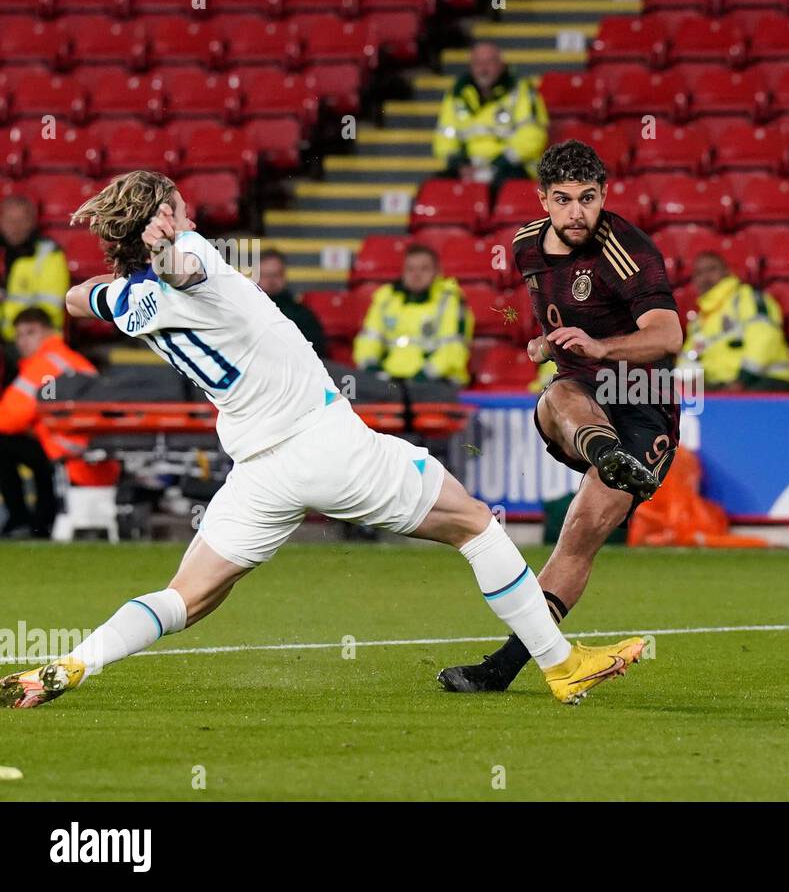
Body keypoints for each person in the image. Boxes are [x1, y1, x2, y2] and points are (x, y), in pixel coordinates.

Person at [1, 170, 644, 709]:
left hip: (257, 469)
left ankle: (71, 665)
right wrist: (168, 252)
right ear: (164, 217)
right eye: (177, 204)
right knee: (475, 525)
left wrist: (121, 276)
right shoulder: (191, 252)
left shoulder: (127, 297)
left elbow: (78, 298)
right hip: (324, 441)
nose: (188, 209)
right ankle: (561, 666)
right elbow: (187, 269)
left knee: (186, 597)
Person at [437, 140, 682, 693]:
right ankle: (604, 453)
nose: (578, 213)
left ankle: (501, 670)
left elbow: (669, 336)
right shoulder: (526, 245)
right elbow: (558, 315)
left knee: (576, 539)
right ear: (542, 199)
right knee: (558, 395)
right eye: (564, 199)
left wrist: (599, 347)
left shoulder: (627, 249)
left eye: (589, 198)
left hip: (643, 407)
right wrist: (547, 343)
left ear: (604, 196)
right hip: (581, 400)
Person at [0, 308, 99, 538]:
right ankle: (36, 521)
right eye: (19, 335)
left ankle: (22, 520)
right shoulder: (69, 359)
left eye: (30, 332)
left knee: (3, 443)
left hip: (68, 446)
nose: (23, 341)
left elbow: (8, 418)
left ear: (48, 332)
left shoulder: (45, 364)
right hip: (89, 441)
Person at [434, 41, 549, 188]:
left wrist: (497, 165)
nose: (483, 69)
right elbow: (445, 137)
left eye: (489, 62)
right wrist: (460, 165)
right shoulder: (457, 94)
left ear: (501, 65)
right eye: (478, 63)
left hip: (511, 167)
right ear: (471, 66)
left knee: (503, 189)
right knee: (434, 187)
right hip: (469, 167)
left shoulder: (521, 90)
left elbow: (532, 136)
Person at [353, 244, 472, 385]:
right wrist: (370, 367)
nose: (416, 274)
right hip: (392, 380)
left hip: (437, 382)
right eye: (410, 269)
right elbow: (369, 339)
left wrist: (425, 374)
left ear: (437, 272)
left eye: (424, 269)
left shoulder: (450, 299)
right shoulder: (386, 298)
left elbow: (454, 349)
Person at [681, 251, 789, 391]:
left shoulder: (747, 298)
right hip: (722, 386)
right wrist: (683, 381)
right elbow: (688, 358)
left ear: (727, 271)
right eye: (698, 273)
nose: (705, 277)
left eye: (711, 269)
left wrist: (742, 381)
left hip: (765, 380)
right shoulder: (700, 319)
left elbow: (764, 338)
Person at [1, 194, 71, 342]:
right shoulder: (4, 254)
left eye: (21, 220)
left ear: (32, 223)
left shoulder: (49, 254)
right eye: (9, 220)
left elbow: (49, 309)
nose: (15, 227)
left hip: (37, 340)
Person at [254, 249, 327, 357]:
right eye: (265, 275)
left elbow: (316, 350)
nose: (271, 281)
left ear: (284, 277)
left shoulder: (303, 315)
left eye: (275, 275)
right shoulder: (247, 312)